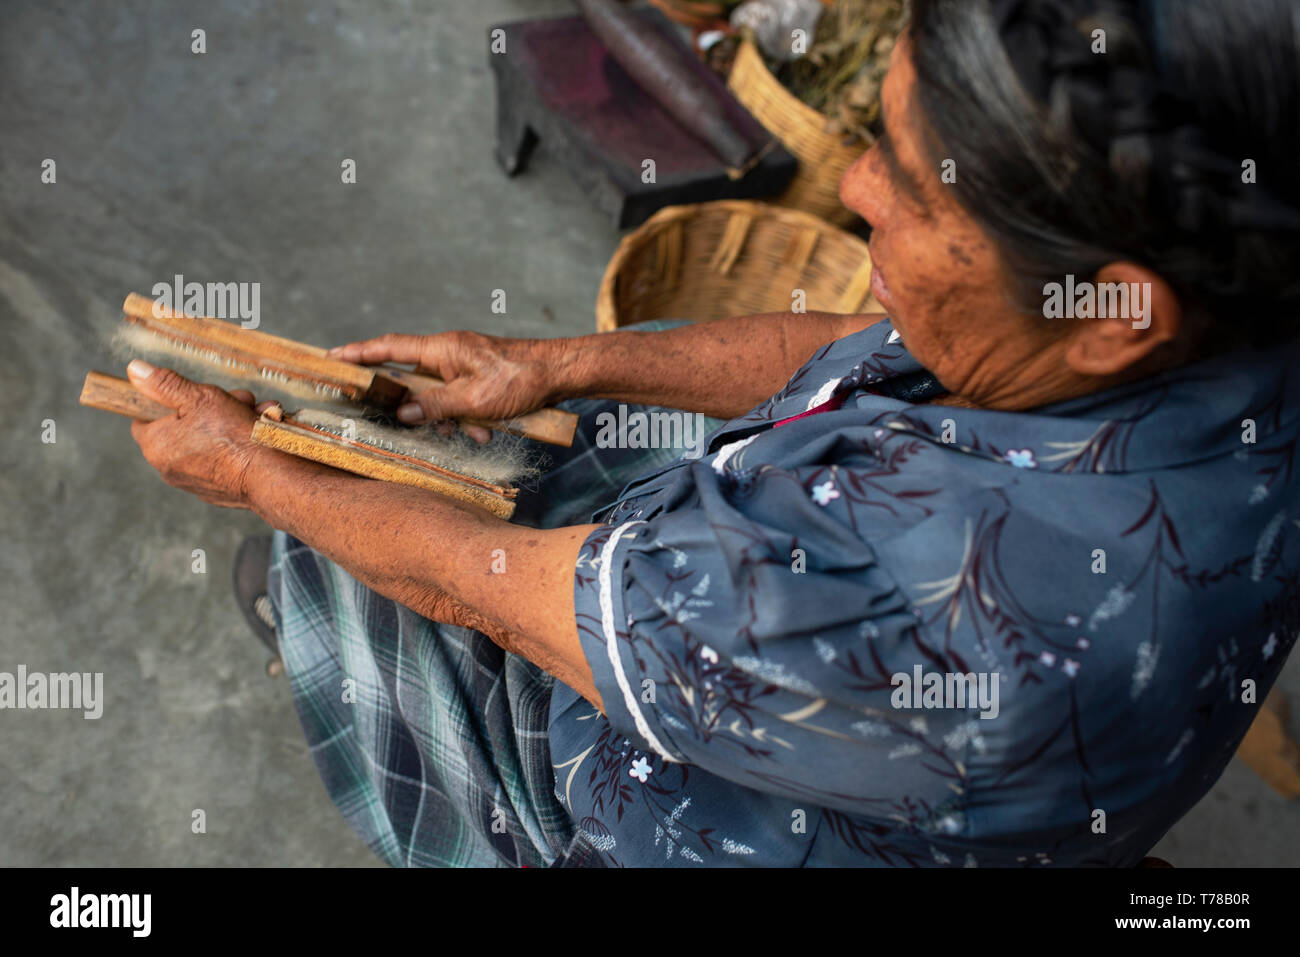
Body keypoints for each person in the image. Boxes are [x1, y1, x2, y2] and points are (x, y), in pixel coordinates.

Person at [127, 0, 1300, 866]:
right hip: (926, 737)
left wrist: (253, 468)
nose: (850, 188)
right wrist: (552, 364)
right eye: (882, 138)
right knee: (526, 444)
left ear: (1113, 319)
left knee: (342, 544)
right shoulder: (1233, 333)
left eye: (916, 188)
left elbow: (475, 585)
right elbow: (854, 344)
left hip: (701, 795)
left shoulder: (904, 604)